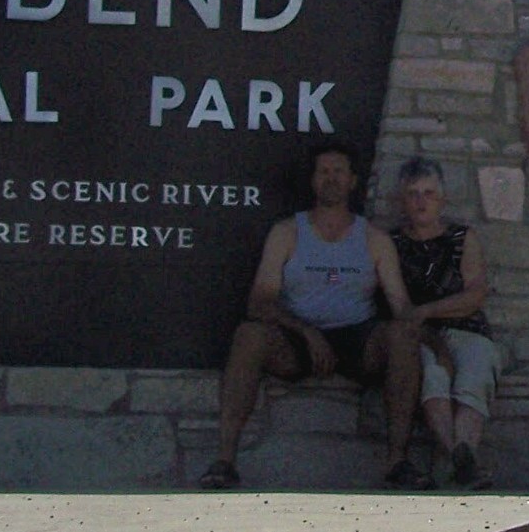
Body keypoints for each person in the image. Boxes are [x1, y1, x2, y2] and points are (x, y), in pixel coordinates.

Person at [198, 140, 431, 490]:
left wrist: (436, 340)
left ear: (353, 181)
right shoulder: (287, 233)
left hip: (357, 336)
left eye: (339, 172)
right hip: (297, 337)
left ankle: (398, 461)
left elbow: (401, 307)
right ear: (313, 181)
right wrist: (308, 332)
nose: (331, 179)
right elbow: (259, 303)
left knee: (401, 338)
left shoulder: (373, 238)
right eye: (324, 172)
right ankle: (225, 460)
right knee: (249, 334)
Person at [391, 156, 499, 489]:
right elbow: (398, 308)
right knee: (433, 376)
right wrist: (425, 321)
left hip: (468, 330)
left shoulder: (462, 239)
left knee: (476, 374)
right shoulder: (393, 245)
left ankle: (463, 451)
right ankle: (461, 460)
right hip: (421, 336)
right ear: (403, 200)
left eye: (428, 192)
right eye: (413, 194)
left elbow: (475, 294)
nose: (421, 201)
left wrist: (427, 310)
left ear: (442, 198)